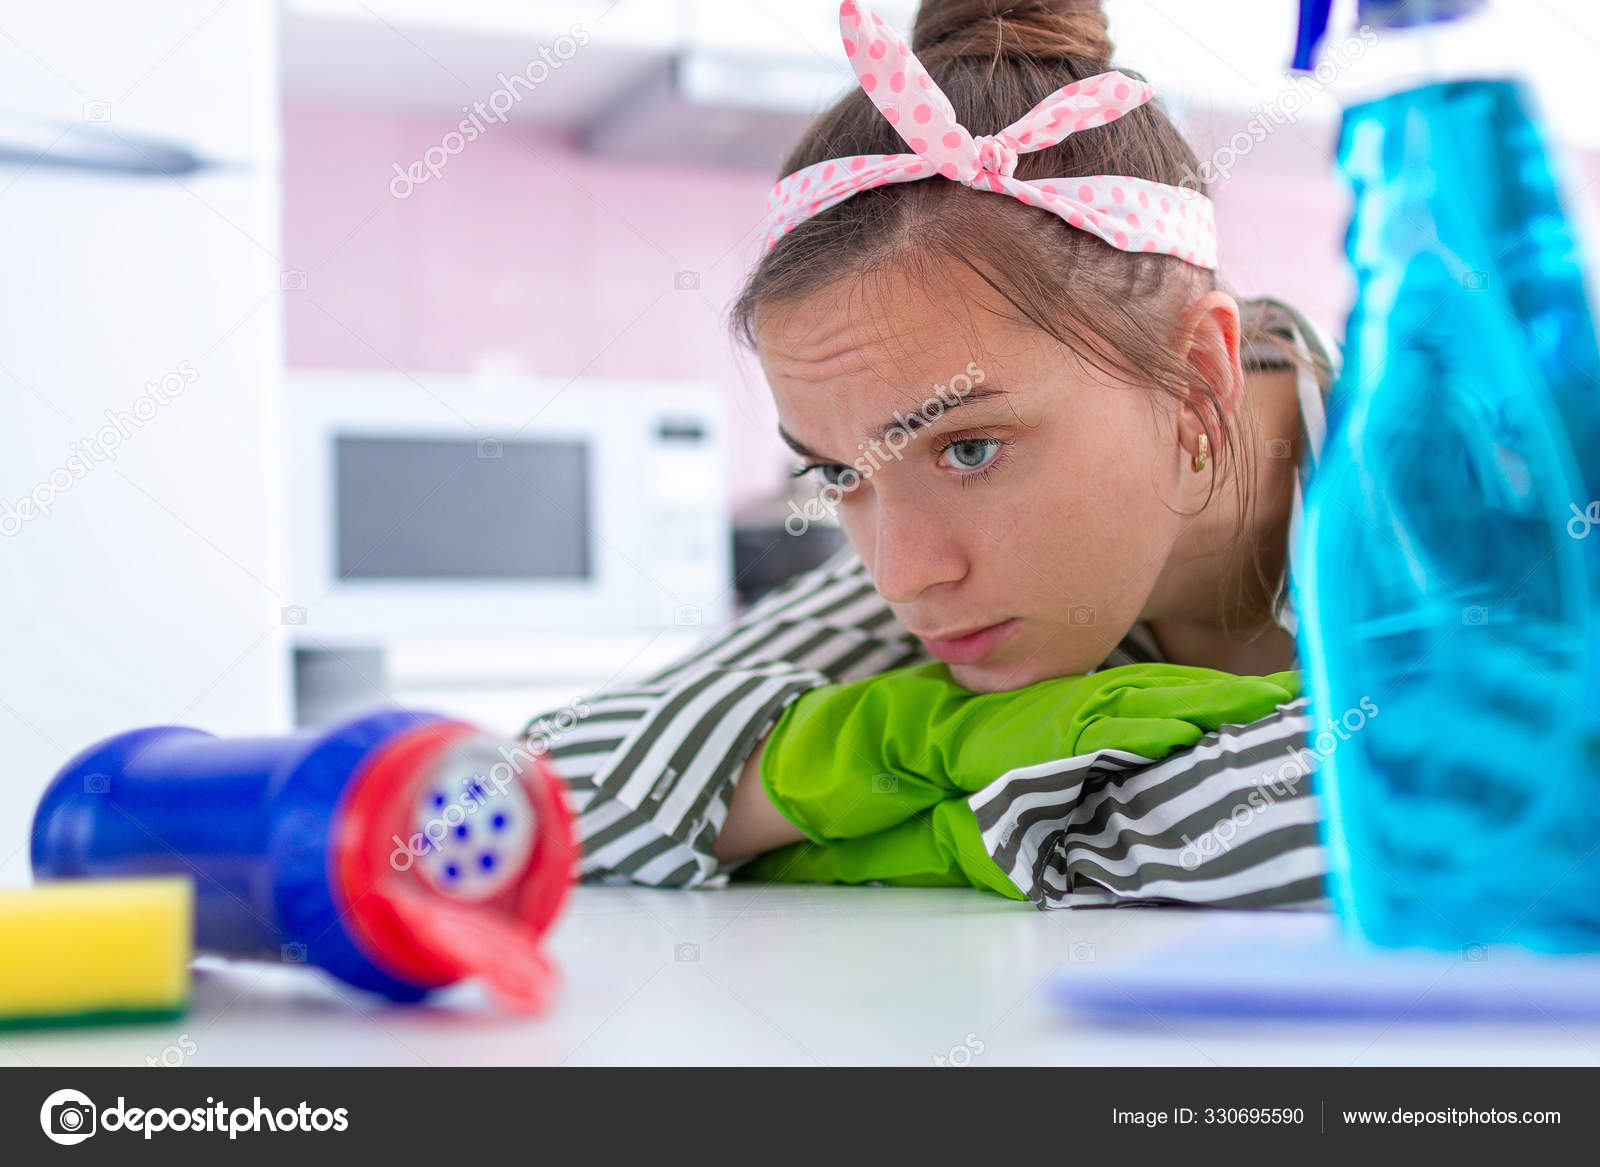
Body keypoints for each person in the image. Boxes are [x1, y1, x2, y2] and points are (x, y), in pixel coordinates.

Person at [521, 0, 1339, 908]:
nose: (902, 577)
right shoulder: (964, 569)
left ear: (1195, 379)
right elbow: (527, 793)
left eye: (971, 448)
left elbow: (1473, 790)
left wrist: (926, 829)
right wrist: (883, 742)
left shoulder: (1477, 493)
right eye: (838, 474)